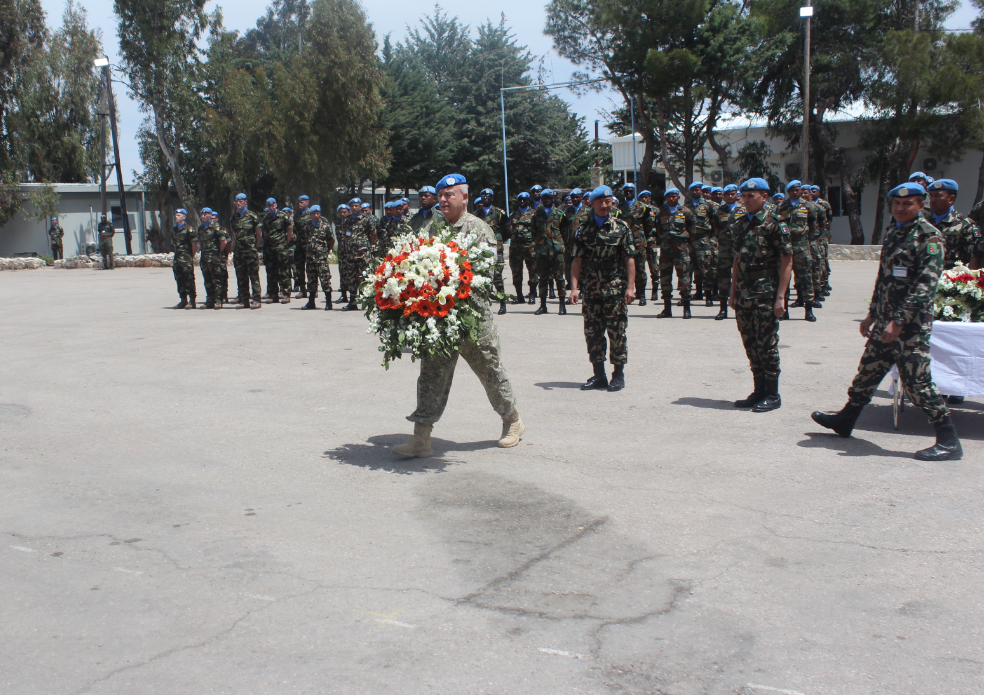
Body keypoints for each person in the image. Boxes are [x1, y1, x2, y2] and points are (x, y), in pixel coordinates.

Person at [812, 182, 963, 461]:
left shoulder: (930, 237)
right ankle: (846, 419)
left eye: (908, 204)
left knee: (917, 382)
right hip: (884, 320)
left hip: (910, 326)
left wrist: (899, 321)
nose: (901, 208)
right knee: (868, 371)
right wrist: (872, 313)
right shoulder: (894, 232)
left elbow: (925, 286)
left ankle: (949, 440)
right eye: (896, 203)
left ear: (921, 205)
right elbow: (884, 278)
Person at [391, 173, 523, 458]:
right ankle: (421, 438)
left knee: (490, 372)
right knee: (430, 376)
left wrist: (448, 280)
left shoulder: (479, 229)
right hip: (438, 318)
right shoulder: (431, 227)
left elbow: (485, 273)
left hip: (472, 319)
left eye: (449, 194)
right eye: (440, 195)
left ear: (465, 197)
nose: (443, 199)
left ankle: (512, 420)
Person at [729, 178, 794, 412]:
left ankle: (773, 394)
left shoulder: (775, 224)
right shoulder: (740, 224)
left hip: (765, 292)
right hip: (744, 293)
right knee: (750, 343)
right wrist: (733, 293)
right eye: (743, 196)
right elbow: (737, 260)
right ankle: (759, 390)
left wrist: (781, 297)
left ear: (764, 197)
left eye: (751, 196)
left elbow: (787, 260)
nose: (745, 200)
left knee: (767, 344)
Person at [569, 186, 637, 392]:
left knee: (617, 331)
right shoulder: (583, 229)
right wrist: (574, 288)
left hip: (614, 287)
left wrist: (631, 287)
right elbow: (577, 260)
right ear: (592, 203)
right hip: (591, 289)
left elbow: (629, 258)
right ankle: (599, 375)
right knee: (593, 331)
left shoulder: (621, 227)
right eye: (600, 201)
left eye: (608, 201)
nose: (605, 205)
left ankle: (618, 375)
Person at [776, 180, 817, 321]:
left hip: (802, 245)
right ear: (788, 192)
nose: (795, 192)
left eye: (797, 190)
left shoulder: (808, 206)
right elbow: (777, 225)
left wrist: (808, 242)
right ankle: (784, 311)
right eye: (792, 190)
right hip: (786, 245)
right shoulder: (782, 206)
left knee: (805, 277)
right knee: (784, 278)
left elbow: (813, 226)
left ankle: (809, 310)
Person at [655, 187, 696, 318]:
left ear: (678, 197)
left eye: (674, 196)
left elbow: (692, 228)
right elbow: (658, 229)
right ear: (666, 198)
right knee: (665, 278)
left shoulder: (685, 211)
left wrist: (687, 243)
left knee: (684, 279)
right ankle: (667, 309)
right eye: (669, 196)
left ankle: (687, 308)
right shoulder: (661, 212)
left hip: (681, 249)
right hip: (666, 250)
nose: (671, 198)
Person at [924, 179, 982, 270]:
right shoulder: (924, 223)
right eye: (931, 196)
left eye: (938, 196)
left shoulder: (965, 225)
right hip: (927, 275)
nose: (933, 200)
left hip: (952, 276)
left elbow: (974, 258)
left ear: (951, 199)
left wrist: (969, 277)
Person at [474, 188, 512, 315]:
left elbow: (508, 230)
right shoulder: (476, 214)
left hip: (496, 250)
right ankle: (484, 305)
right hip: (481, 250)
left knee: (497, 276)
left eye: (488, 196)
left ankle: (502, 302)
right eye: (483, 196)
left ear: (492, 198)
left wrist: (499, 241)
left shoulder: (499, 213)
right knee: (482, 277)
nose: (485, 198)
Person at [530, 189, 567, 315]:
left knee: (559, 278)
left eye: (549, 198)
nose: (547, 200)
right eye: (545, 198)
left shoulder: (560, 214)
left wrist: (561, 245)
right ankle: (543, 305)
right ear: (542, 199)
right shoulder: (537, 214)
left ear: (553, 199)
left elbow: (565, 232)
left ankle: (562, 305)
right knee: (543, 278)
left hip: (557, 251)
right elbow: (533, 231)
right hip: (542, 251)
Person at [338, 198, 376, 311]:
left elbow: (373, 233)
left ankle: (367, 301)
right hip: (351, 254)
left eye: (356, 205)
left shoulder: (366, 219)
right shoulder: (346, 220)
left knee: (365, 277)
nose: (354, 207)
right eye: (352, 206)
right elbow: (345, 234)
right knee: (351, 277)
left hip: (363, 254)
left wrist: (368, 246)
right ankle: (352, 302)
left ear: (360, 207)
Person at [713, 184, 744, 320]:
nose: (730, 196)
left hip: (740, 248)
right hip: (725, 249)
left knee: (742, 277)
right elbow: (715, 229)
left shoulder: (744, 209)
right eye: (727, 194)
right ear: (724, 196)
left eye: (733, 194)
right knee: (723, 277)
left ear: (737, 194)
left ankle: (741, 308)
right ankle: (723, 309)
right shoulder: (720, 210)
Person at [618, 183, 652, 306]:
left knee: (640, 268)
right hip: (624, 241)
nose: (628, 193)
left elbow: (648, 225)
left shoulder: (643, 207)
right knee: (623, 268)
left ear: (634, 192)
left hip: (639, 242)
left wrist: (645, 239)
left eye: (631, 191)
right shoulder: (619, 208)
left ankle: (641, 294)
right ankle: (627, 293)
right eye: (626, 191)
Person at [301, 205, 335, 310]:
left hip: (321, 258)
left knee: (325, 280)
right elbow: (304, 240)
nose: (316, 215)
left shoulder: (325, 226)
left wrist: (327, 251)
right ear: (310, 215)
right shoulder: (307, 227)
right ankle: (311, 302)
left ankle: (328, 302)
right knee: (311, 281)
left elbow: (331, 240)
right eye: (314, 213)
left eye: (318, 213)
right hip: (310, 258)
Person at [231, 193, 262, 309]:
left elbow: (259, 234)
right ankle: (244, 300)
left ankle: (256, 299)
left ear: (245, 202)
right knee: (241, 276)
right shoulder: (234, 218)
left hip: (250, 251)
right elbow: (235, 234)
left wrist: (254, 247)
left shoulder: (252, 216)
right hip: (239, 252)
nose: (238, 203)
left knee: (253, 275)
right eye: (237, 201)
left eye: (241, 201)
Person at [260, 198, 293, 304]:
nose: (271, 207)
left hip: (281, 249)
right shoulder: (266, 219)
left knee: (284, 272)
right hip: (270, 250)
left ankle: (286, 294)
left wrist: (285, 244)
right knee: (271, 273)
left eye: (273, 205)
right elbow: (264, 233)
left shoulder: (283, 216)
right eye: (269, 206)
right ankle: (273, 295)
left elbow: (289, 231)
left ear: (276, 205)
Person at [685, 182, 713, 302]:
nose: (695, 192)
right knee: (689, 267)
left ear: (701, 191)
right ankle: (694, 293)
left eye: (697, 190)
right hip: (690, 240)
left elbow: (714, 221)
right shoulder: (686, 206)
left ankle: (709, 296)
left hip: (703, 240)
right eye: (693, 190)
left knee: (705, 267)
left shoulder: (708, 204)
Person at [196, 207, 229, 310]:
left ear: (210, 215)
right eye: (202, 214)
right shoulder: (201, 228)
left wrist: (217, 252)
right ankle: (210, 300)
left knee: (216, 279)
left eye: (205, 214)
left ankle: (218, 300)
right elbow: (199, 242)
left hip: (214, 257)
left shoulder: (216, 227)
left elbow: (223, 242)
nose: (203, 216)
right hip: (204, 257)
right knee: (207, 280)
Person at [508, 192, 538, 304]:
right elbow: (508, 229)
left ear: (528, 201)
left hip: (530, 246)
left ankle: (532, 294)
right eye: (520, 199)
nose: (522, 201)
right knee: (516, 272)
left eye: (524, 199)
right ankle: (519, 296)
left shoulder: (534, 214)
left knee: (533, 270)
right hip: (515, 247)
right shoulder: (513, 214)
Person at [171, 208, 198, 309]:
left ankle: (192, 301)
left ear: (184, 217)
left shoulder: (189, 229)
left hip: (186, 258)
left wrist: (191, 256)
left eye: (179, 215)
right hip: (177, 259)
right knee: (179, 279)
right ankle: (183, 300)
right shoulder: (174, 230)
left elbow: (194, 244)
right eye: (176, 215)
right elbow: (174, 243)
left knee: (189, 279)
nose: (176, 217)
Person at [637, 190, 661, 301]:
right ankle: (639, 291)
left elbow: (660, 226)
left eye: (646, 197)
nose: (644, 199)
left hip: (651, 241)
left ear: (650, 199)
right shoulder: (637, 210)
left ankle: (655, 290)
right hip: (639, 241)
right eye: (642, 197)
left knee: (654, 267)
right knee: (640, 268)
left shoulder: (655, 211)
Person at [336, 202, 355, 304]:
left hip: (352, 251)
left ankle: (357, 296)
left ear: (349, 212)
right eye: (341, 212)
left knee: (353, 274)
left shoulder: (352, 222)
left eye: (344, 212)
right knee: (342, 273)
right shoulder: (338, 223)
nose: (343, 214)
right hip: (342, 252)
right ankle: (344, 295)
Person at [293, 195, 312, 298]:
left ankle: (313, 289)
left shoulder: (311, 214)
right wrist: (294, 237)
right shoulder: (296, 215)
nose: (300, 204)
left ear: (307, 202)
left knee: (311, 268)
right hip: (299, 246)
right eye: (299, 203)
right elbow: (294, 229)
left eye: (302, 202)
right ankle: (302, 290)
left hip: (309, 245)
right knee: (299, 269)